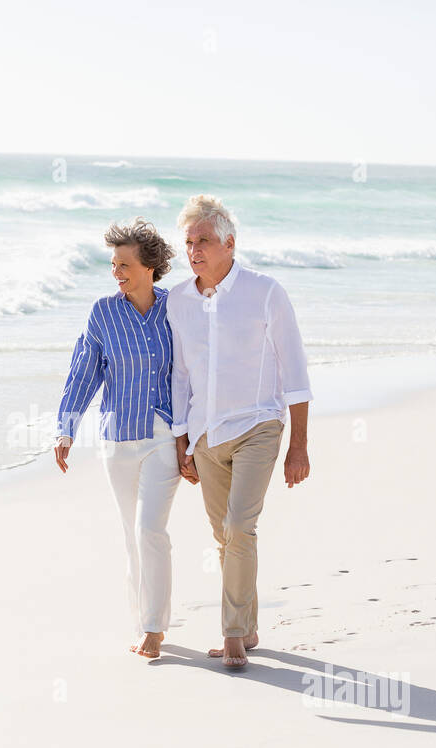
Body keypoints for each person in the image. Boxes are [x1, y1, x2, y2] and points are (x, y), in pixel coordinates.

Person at [167, 195, 313, 668]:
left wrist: (299, 446)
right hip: (206, 436)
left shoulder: (265, 292)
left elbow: (294, 370)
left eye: (204, 241)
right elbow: (180, 376)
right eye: (189, 242)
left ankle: (231, 634)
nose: (195, 250)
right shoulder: (178, 301)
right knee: (225, 537)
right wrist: (180, 438)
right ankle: (248, 627)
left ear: (230, 243)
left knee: (239, 527)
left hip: (259, 425)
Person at [55, 217, 184, 659]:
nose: (117, 272)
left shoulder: (177, 308)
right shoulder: (102, 313)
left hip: (163, 436)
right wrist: (65, 427)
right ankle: (142, 618)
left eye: (125, 264)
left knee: (151, 529)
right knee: (132, 534)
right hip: (117, 439)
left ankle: (154, 628)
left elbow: (198, 369)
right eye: (113, 265)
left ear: (150, 266)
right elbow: (84, 371)